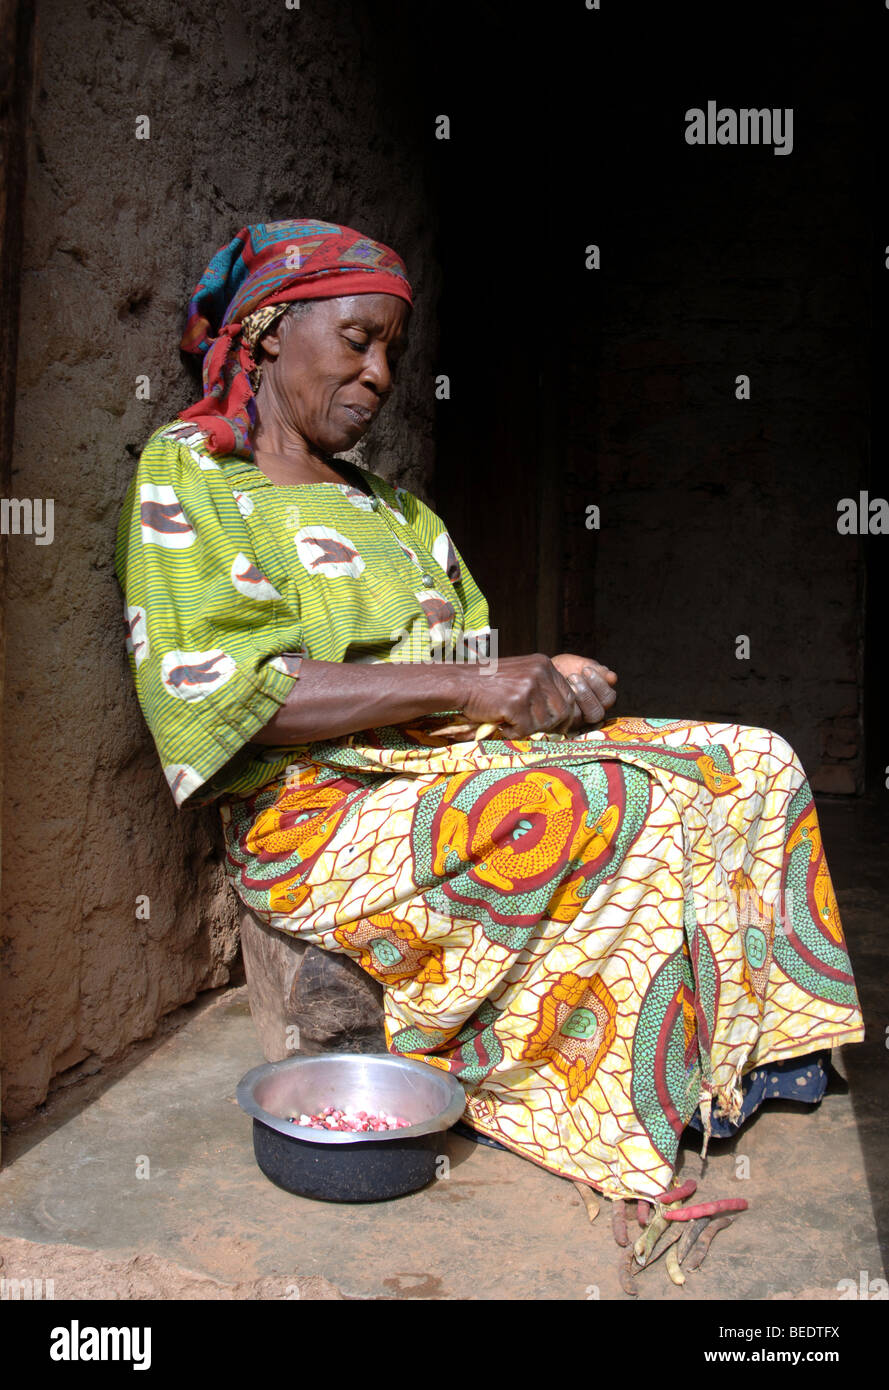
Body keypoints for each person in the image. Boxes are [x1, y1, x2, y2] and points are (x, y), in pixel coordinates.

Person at [115, 219, 864, 1273]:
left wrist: (540, 682)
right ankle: (607, 1120)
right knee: (613, 807)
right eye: (359, 340)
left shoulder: (393, 511)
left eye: (392, 354)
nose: (378, 375)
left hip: (448, 766)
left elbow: (466, 667)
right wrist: (478, 683)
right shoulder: (192, 473)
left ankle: (747, 1065)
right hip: (316, 816)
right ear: (273, 329)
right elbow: (235, 693)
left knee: (750, 758)